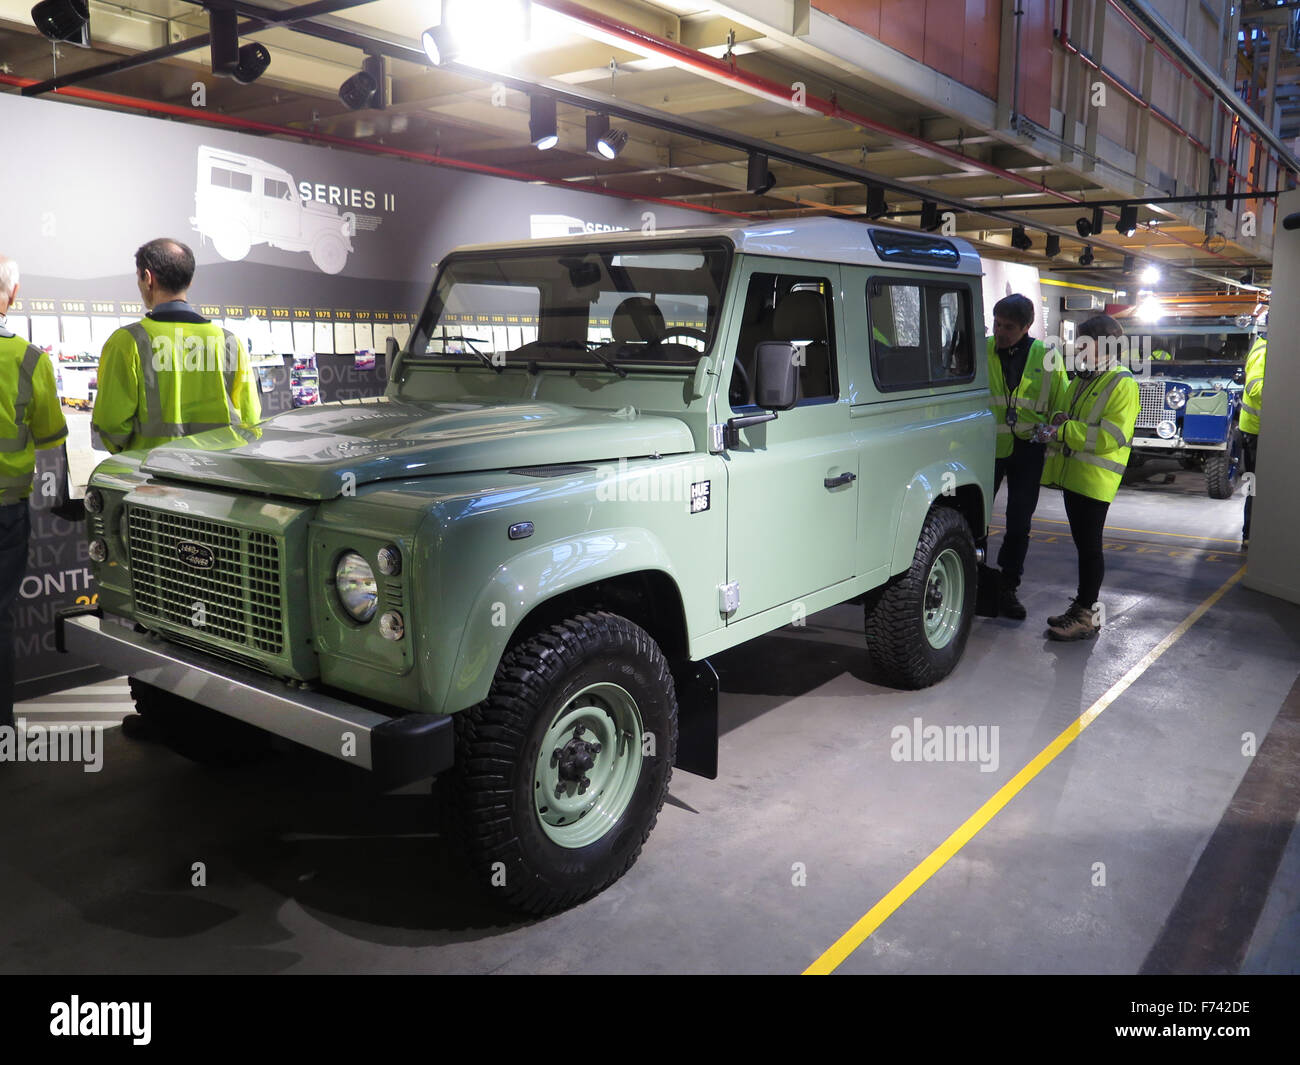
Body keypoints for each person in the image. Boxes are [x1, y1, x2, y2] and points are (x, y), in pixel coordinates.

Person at [91, 238, 260, 455]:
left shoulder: (127, 341)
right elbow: (251, 417)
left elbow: (111, 423)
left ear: (148, 278)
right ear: (189, 281)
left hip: (153, 476)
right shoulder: (230, 342)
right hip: (220, 476)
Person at [1036, 314, 1139, 641]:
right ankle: (1082, 608)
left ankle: (1086, 616)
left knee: (1090, 549)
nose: (1077, 349)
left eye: (1083, 344)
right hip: (1074, 475)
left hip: (1095, 480)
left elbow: (1112, 436)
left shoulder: (1122, 383)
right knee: (1084, 548)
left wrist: (1064, 428)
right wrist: (1058, 421)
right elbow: (1061, 413)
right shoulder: (1083, 378)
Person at [0, 255, 68, 727]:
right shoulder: (28, 358)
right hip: (6, 509)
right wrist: (60, 497)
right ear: (13, 293)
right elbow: (51, 438)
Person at [986, 293, 1065, 619]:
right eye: (998, 324)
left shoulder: (1046, 356)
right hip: (986, 447)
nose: (1001, 332)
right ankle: (970, 578)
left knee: (1019, 523)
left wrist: (1056, 429)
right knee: (970, 519)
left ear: (1027, 327)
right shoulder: (981, 349)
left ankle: (1007, 587)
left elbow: (1059, 402)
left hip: (1028, 450)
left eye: (1009, 327)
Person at [1238, 334, 1265, 548]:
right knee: (1256, 487)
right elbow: (1254, 387)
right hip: (1256, 431)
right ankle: (1249, 534)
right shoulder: (1264, 351)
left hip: (1260, 429)